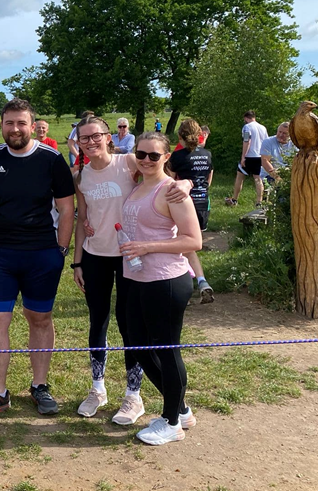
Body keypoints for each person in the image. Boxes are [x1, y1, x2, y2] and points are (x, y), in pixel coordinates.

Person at [71, 115, 192, 424]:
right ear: (78, 143)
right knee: (98, 320)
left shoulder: (129, 162)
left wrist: (186, 183)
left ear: (108, 136)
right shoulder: (80, 175)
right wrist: (78, 261)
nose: (91, 142)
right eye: (84, 138)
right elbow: (81, 218)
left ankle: (133, 395)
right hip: (96, 255)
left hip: (130, 259)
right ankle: (97, 388)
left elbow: (165, 174)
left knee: (130, 328)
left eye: (96, 135)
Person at [0, 98, 75, 419]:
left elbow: (66, 209)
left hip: (42, 254)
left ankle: (40, 386)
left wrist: (61, 250)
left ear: (32, 125)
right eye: (9, 123)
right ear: (1, 126)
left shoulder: (52, 160)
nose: (15, 129)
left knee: (39, 318)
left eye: (21, 123)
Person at [121, 131, 202, 446]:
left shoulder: (171, 192)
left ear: (167, 157)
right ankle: (180, 409)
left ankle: (171, 423)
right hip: (139, 278)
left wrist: (146, 246)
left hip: (167, 280)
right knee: (139, 346)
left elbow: (193, 240)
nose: (146, 160)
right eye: (141, 154)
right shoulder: (139, 183)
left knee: (167, 349)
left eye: (154, 155)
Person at [169, 119, 215, 304]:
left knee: (180, 246)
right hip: (203, 202)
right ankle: (201, 282)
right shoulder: (207, 154)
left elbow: (170, 182)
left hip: (184, 204)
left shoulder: (177, 156)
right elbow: (209, 176)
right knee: (188, 246)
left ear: (180, 136)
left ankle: (186, 286)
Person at [225, 110, 270, 207]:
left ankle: (235, 199)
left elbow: (247, 141)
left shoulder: (247, 127)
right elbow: (267, 142)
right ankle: (259, 201)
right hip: (260, 156)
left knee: (239, 176)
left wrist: (243, 157)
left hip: (250, 156)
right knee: (258, 179)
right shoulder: (263, 127)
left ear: (246, 118)